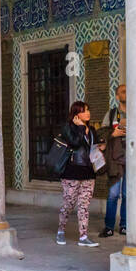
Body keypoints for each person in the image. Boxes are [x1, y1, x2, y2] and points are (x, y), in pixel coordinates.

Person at [55, 100, 99, 248]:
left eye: (88, 110)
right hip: (71, 172)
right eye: (84, 110)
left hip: (88, 172)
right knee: (68, 204)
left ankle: (83, 236)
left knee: (84, 206)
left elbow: (94, 148)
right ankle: (61, 230)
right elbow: (74, 143)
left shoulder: (92, 129)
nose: (88, 113)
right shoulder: (68, 128)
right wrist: (80, 128)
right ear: (76, 114)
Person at [101, 84, 127, 238]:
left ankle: (124, 225)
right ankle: (109, 226)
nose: (127, 94)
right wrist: (114, 133)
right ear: (117, 97)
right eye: (123, 92)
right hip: (115, 159)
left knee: (127, 194)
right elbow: (102, 133)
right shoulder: (111, 114)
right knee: (113, 194)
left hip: (133, 158)